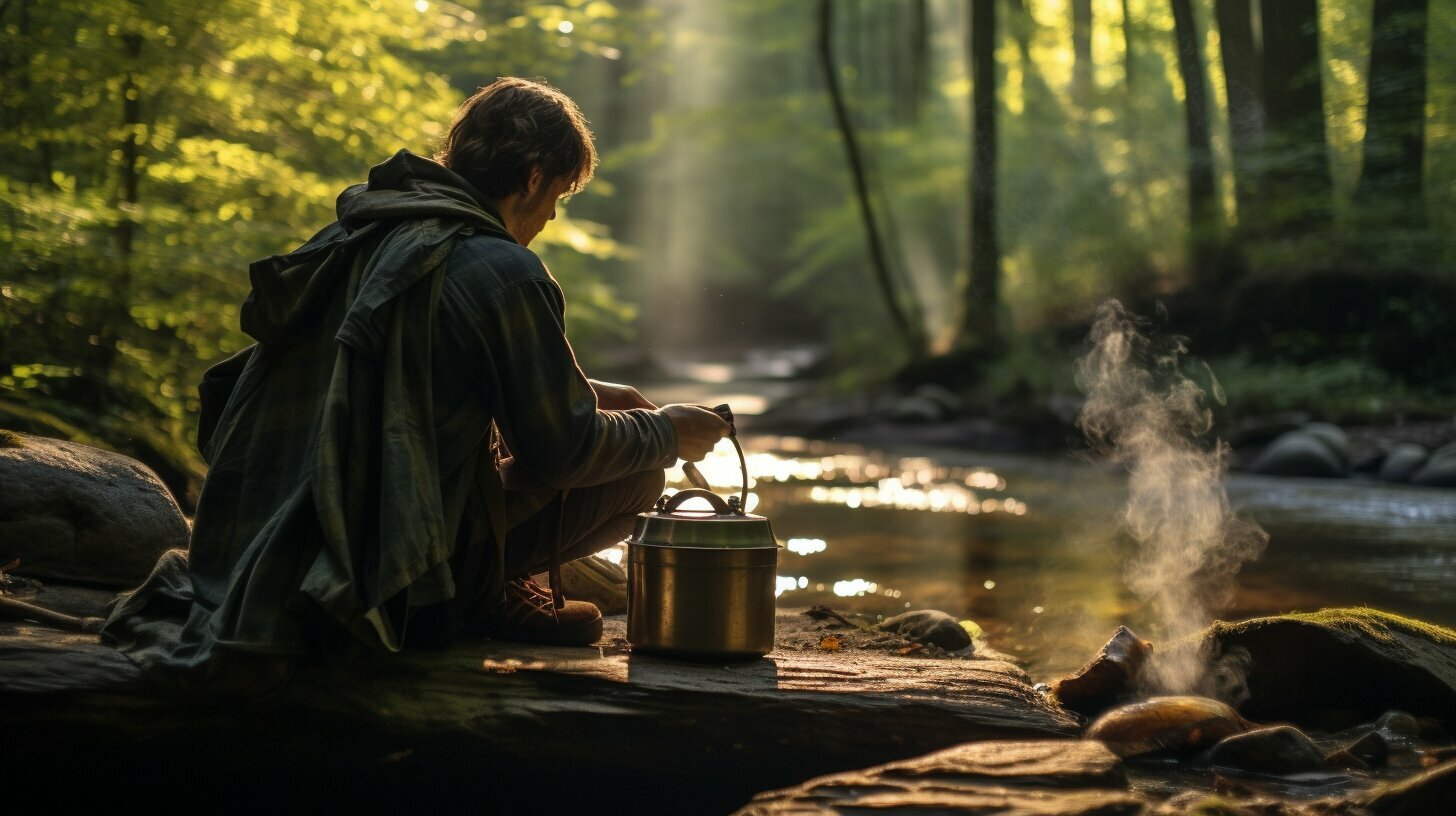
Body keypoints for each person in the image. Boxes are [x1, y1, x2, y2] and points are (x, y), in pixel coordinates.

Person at [100, 77, 729, 690]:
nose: (549, 218)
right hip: (391, 584)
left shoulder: (361, 232)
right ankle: (472, 597)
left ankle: (488, 583)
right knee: (638, 472)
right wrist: (667, 430)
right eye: (559, 197)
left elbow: (408, 368)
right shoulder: (506, 269)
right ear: (534, 177)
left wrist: (587, 390)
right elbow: (563, 451)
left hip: (269, 547)